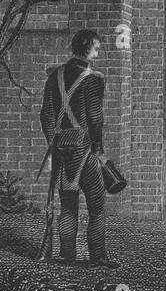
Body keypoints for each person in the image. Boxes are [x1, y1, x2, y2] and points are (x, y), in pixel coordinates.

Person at [38, 29, 117, 267]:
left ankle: (67, 254)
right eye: (96, 46)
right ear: (87, 48)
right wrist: (98, 148)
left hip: (63, 150)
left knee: (68, 206)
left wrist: (55, 142)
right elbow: (94, 117)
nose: (98, 50)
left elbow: (46, 115)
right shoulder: (94, 79)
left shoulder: (55, 76)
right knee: (96, 206)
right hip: (86, 150)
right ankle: (98, 257)